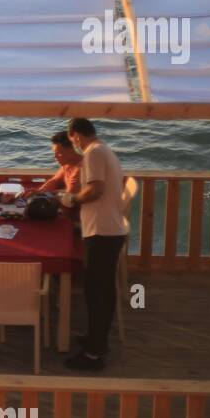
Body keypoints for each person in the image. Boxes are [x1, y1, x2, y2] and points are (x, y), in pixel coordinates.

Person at [62, 118, 129, 371]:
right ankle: (96, 339)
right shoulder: (105, 150)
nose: (75, 145)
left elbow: (95, 190)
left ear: (76, 135)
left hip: (102, 231)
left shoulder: (93, 154)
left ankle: (93, 354)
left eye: (72, 141)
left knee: (97, 293)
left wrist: (72, 199)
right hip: (109, 229)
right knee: (101, 291)